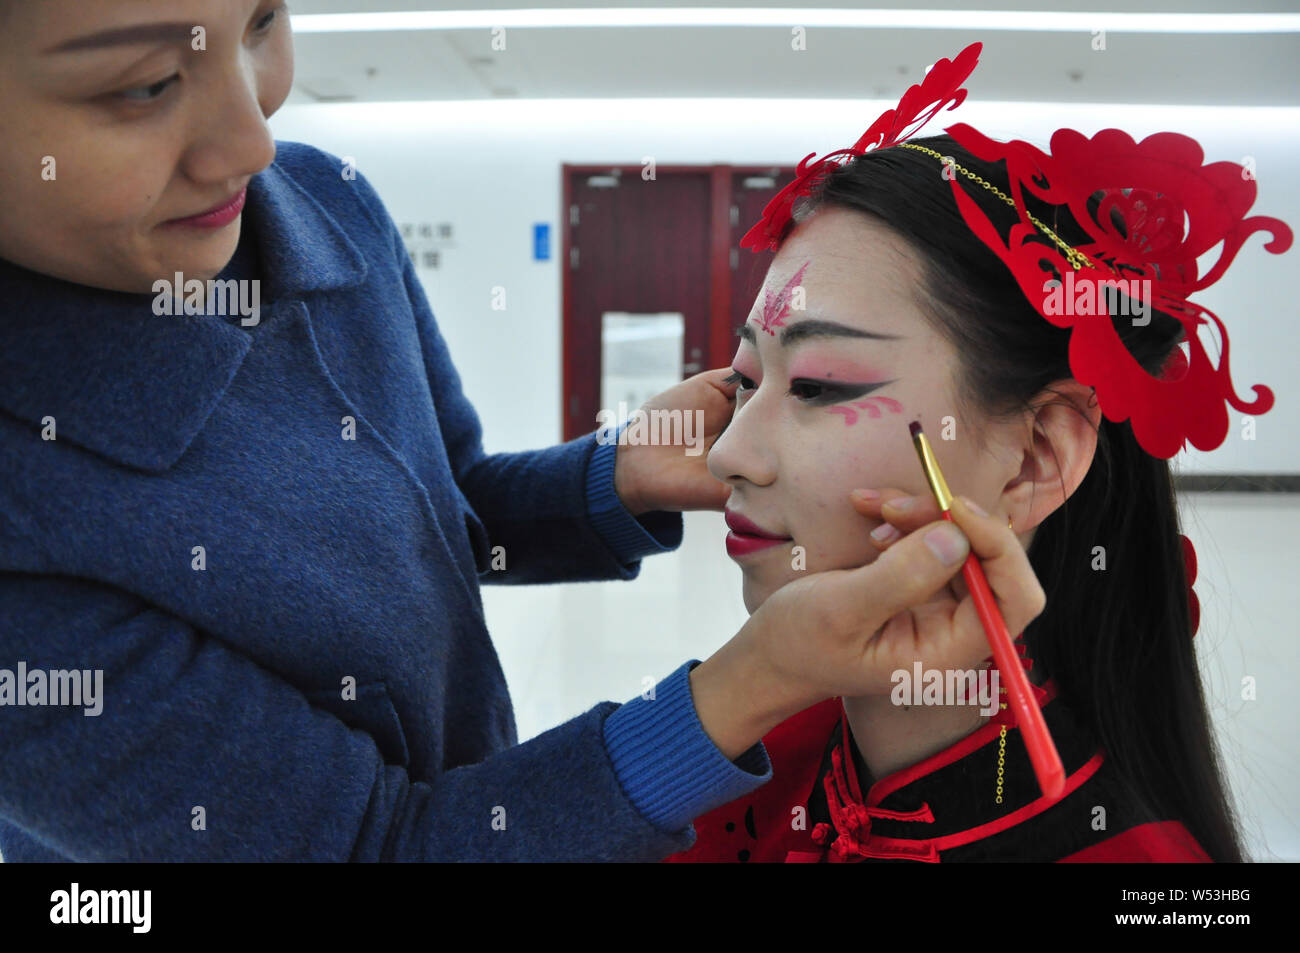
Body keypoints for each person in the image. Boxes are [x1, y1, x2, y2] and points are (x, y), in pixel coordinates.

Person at [0, 4, 1030, 860]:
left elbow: (447, 500)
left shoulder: (326, 206)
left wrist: (612, 478)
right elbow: (380, 846)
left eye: (262, 20)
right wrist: (750, 684)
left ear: (1043, 450)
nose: (253, 140)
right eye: (140, 86)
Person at [666, 42, 1290, 862]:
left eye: (817, 384)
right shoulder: (738, 744)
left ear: (1035, 456)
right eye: (745, 379)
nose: (726, 457)